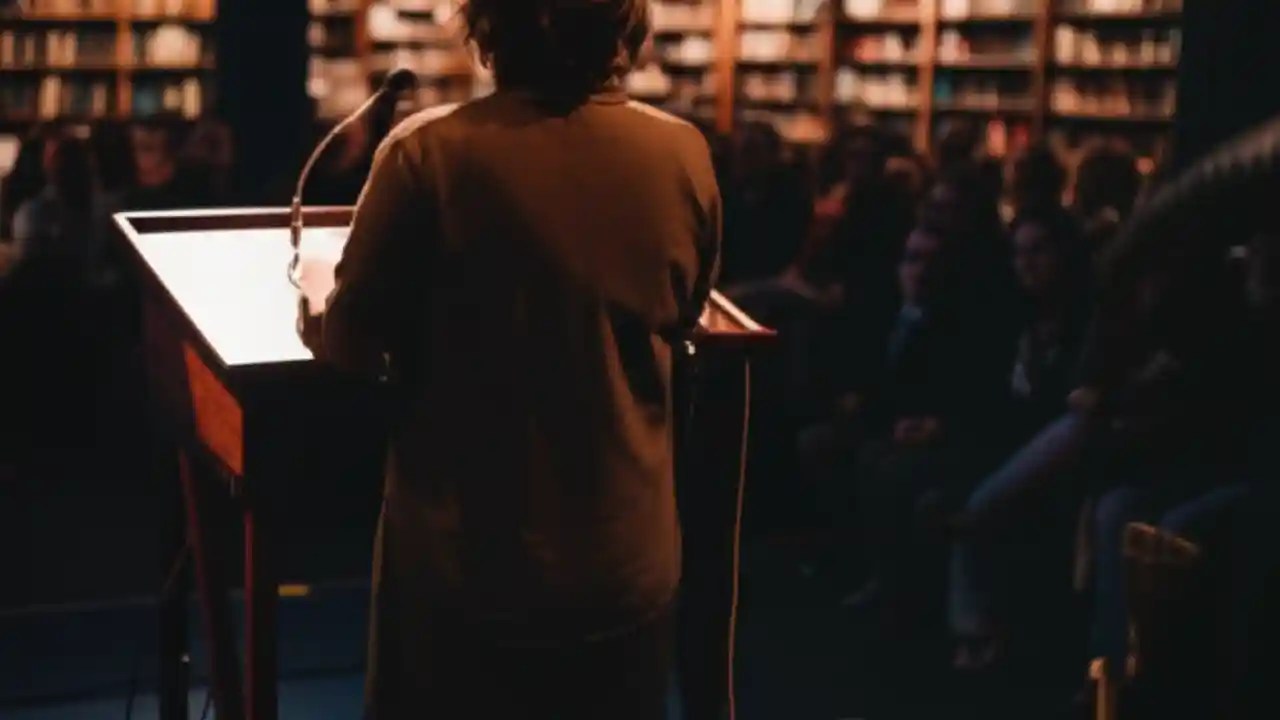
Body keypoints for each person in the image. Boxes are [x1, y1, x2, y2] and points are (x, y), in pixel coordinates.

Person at [296, 1, 719, 717]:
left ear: (489, 27)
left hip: (470, 571)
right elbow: (684, 313)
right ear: (627, 28)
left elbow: (351, 345)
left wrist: (313, 308)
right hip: (626, 560)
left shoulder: (427, 153)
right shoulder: (684, 154)